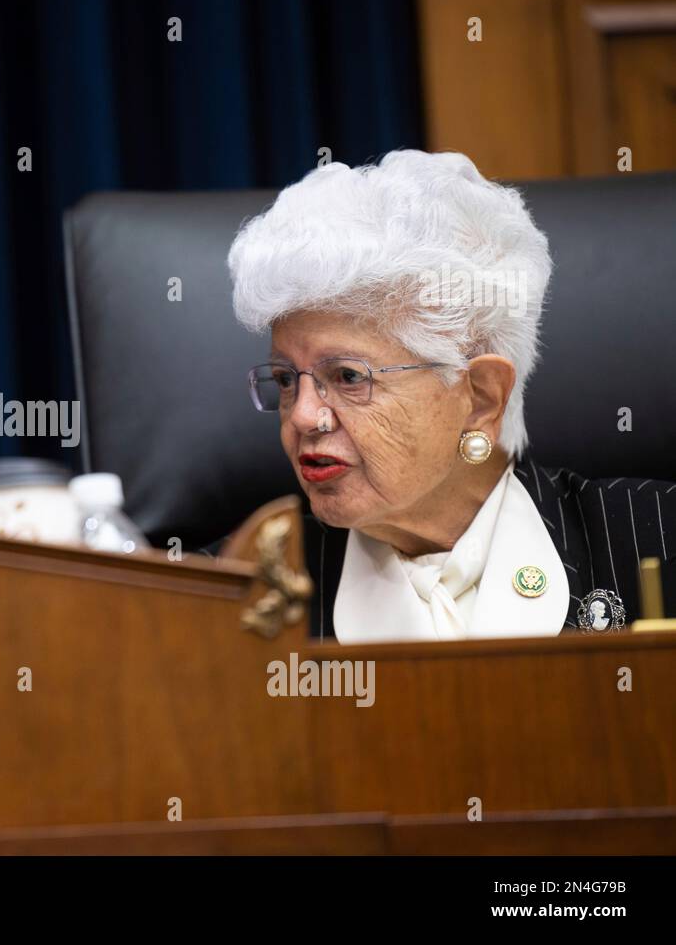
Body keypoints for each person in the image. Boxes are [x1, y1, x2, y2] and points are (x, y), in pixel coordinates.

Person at [226, 150, 675, 642]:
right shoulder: (228, 595)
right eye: (287, 379)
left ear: (480, 398)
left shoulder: (654, 535)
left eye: (349, 377)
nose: (305, 416)